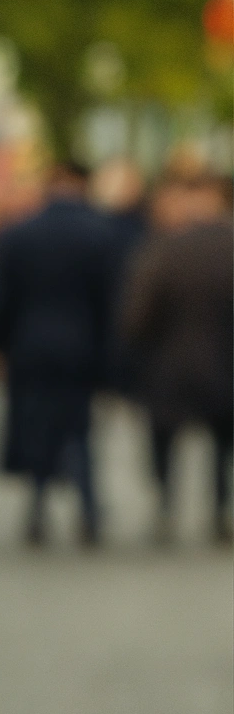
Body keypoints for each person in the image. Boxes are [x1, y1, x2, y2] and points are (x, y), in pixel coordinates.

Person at [0, 159, 123, 547]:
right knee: (80, 431)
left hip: (30, 346)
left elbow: (0, 298)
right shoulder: (101, 235)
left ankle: (37, 510)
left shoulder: (19, 234)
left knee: (36, 427)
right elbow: (112, 304)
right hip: (82, 349)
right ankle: (89, 512)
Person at [118, 167, 234, 545]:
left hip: (170, 366)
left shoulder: (164, 250)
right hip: (226, 364)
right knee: (223, 443)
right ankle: (220, 510)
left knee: (164, 442)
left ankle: (166, 507)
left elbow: (136, 317)